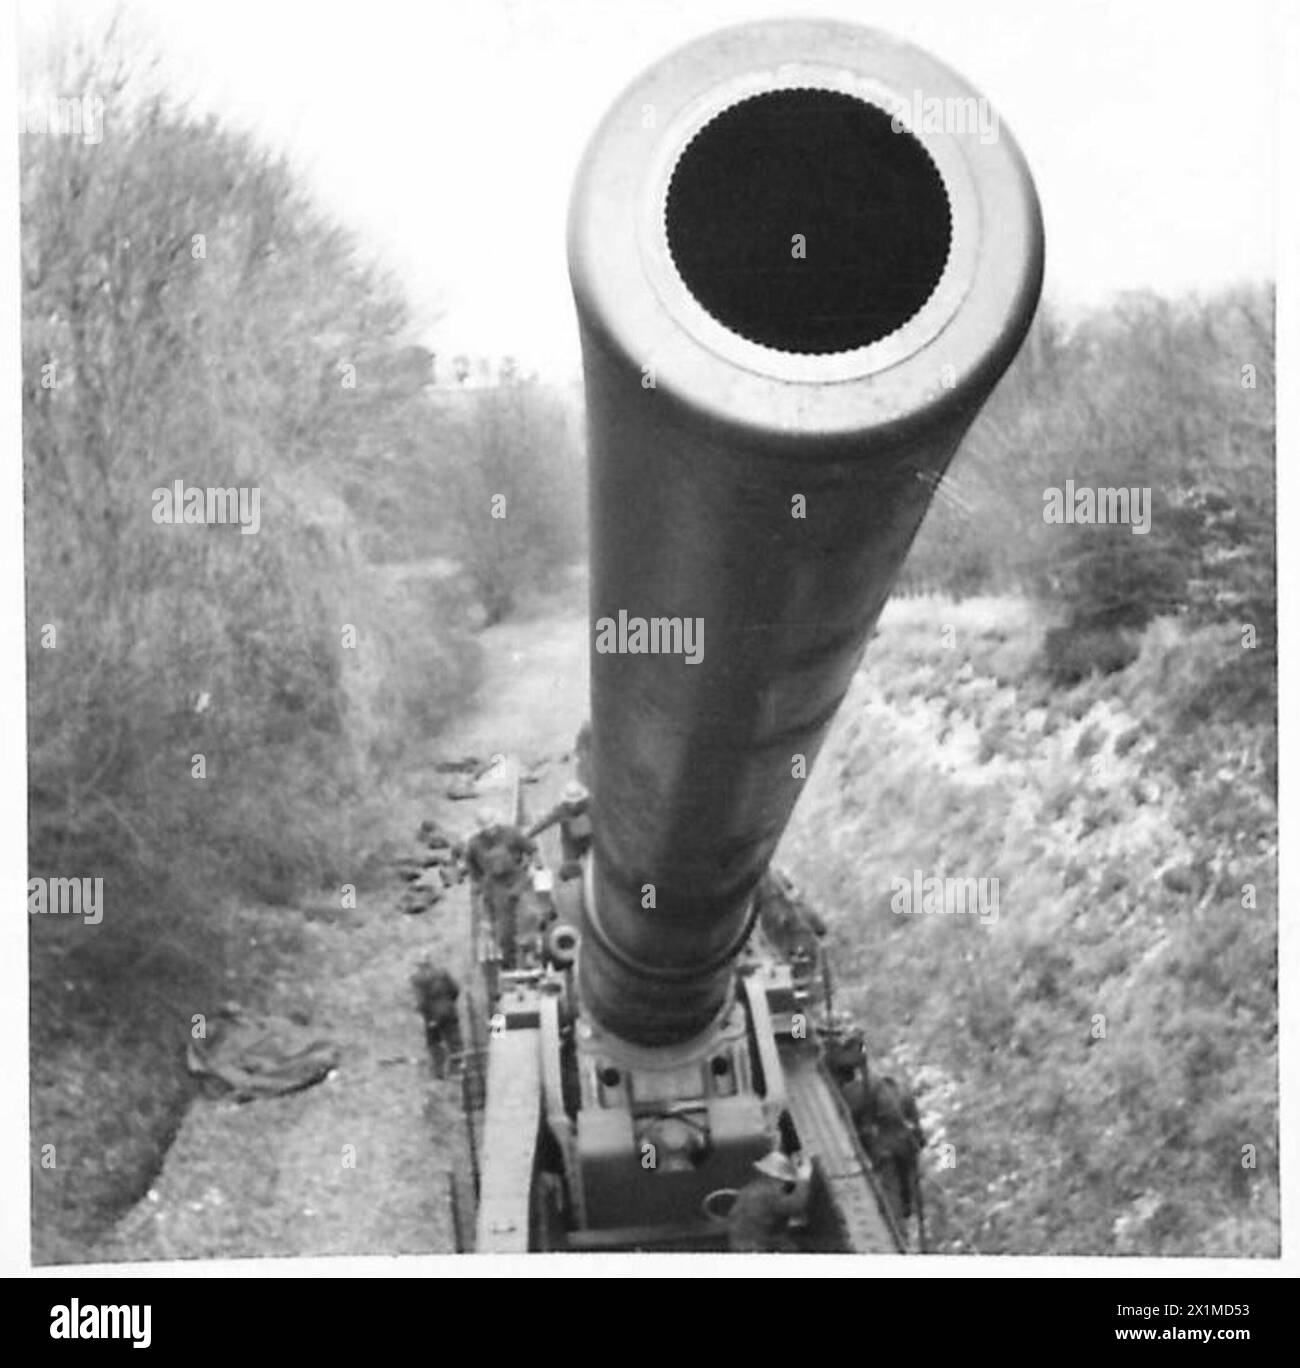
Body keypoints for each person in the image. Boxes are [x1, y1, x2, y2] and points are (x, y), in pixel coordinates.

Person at [462, 811, 536, 968]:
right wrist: (479, 884)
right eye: (486, 828)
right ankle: (508, 962)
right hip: (495, 885)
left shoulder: (511, 834)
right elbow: (472, 867)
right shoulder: (475, 844)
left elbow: (531, 850)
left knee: (531, 916)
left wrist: (530, 869)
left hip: (518, 877)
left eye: (492, 826)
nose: (490, 831)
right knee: (503, 929)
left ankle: (532, 956)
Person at [857, 1074, 925, 1226]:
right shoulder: (902, 1095)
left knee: (894, 1187)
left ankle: (897, 1214)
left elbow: (866, 1126)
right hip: (899, 1148)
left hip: (888, 1149)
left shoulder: (875, 1094)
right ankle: (902, 1211)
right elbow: (916, 1127)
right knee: (902, 1184)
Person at [727, 1145, 813, 1253]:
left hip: (741, 1237)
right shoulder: (770, 1193)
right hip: (755, 1245)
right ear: (778, 1178)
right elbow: (796, 1205)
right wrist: (804, 1178)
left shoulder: (754, 1187)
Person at [526, 781, 592, 880]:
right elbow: (544, 823)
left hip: (588, 837)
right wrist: (528, 835)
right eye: (571, 802)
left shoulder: (589, 804)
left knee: (592, 862)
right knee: (567, 872)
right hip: (570, 841)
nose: (574, 804)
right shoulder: (560, 810)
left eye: (577, 801)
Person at [411, 960, 463, 1079]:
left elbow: (421, 1002)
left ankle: (438, 1072)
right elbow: (455, 990)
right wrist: (449, 1004)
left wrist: (427, 1016)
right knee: (455, 1042)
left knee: (434, 1044)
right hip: (449, 1011)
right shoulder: (442, 973)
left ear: (419, 966)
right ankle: (458, 1070)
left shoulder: (417, 980)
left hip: (432, 1016)